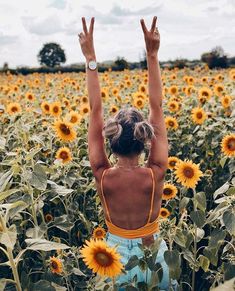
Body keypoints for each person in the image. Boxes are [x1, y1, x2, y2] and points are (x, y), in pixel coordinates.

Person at [78, 16, 178, 290]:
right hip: (154, 255)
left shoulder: (102, 174)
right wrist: (152, 54)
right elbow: (157, 107)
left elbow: (95, 110)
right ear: (145, 140)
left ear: (110, 140)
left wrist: (91, 57)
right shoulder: (156, 172)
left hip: (114, 259)